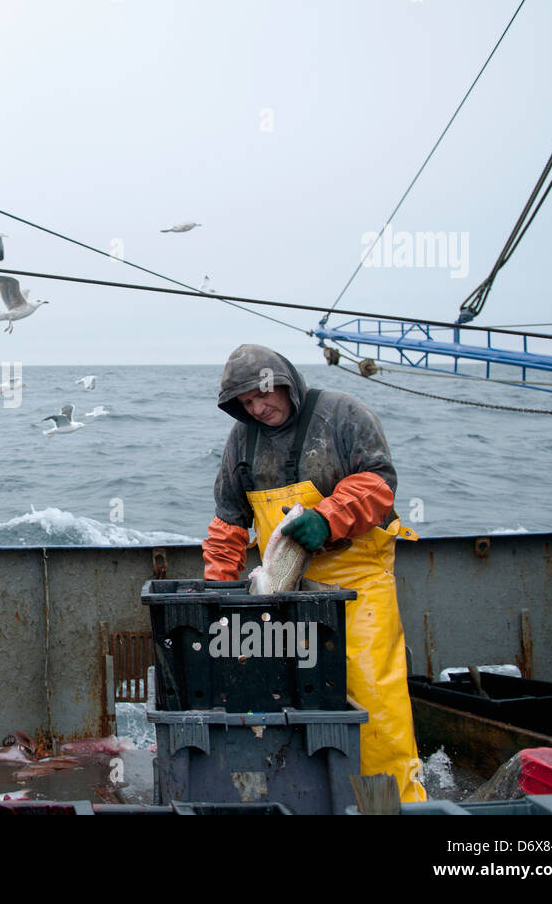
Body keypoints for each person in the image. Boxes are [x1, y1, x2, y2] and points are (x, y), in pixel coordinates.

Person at [201, 344, 427, 802]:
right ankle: (305, 795)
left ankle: (390, 803)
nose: (259, 407)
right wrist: (218, 592)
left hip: (357, 576)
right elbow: (228, 527)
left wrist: (327, 518)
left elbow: (379, 485)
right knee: (283, 691)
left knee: (373, 696)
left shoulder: (343, 415)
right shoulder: (241, 443)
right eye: (246, 403)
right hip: (284, 585)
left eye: (264, 395)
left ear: (286, 382)